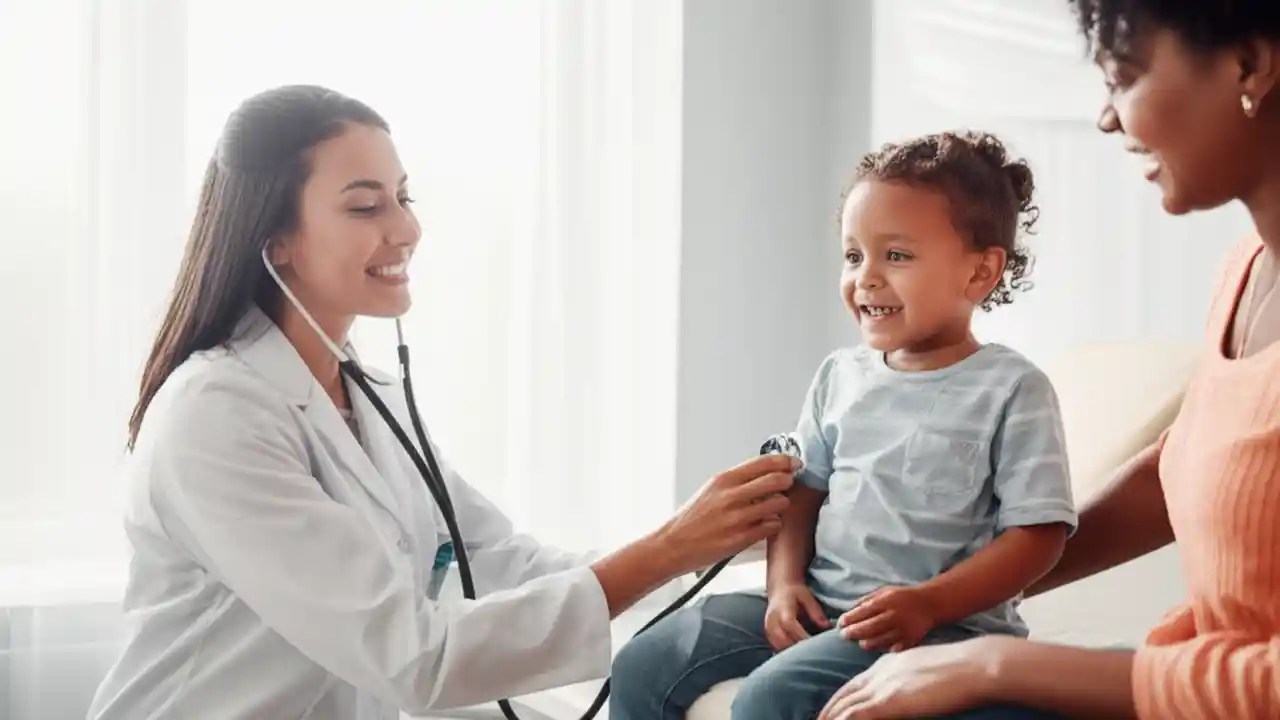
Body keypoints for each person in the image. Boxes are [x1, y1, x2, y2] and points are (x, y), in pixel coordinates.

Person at [86, 84, 799, 720]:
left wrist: (709, 540)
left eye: (404, 197)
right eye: (366, 205)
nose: (406, 229)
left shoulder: (369, 400)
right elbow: (411, 658)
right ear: (277, 245)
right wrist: (669, 548)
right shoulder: (215, 415)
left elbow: (503, 564)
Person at [818, 2, 1280, 719]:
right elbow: (1191, 468)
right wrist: (952, 591)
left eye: (1123, 78)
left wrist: (996, 660)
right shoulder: (1246, 271)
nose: (1107, 118)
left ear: (1250, 65)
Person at [609, 131, 1077, 720]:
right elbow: (802, 495)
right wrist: (782, 586)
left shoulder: (1013, 389)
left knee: (769, 697)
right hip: (824, 604)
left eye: (897, 256)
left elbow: (1039, 536)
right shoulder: (840, 375)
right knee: (642, 661)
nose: (867, 278)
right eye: (854, 255)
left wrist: (929, 605)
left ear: (980, 273)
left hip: (939, 628)